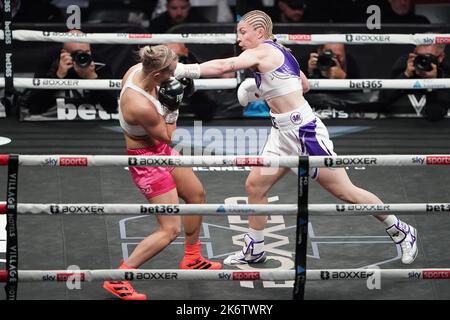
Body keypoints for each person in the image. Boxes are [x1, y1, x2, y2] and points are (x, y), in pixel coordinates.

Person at [174, 10, 418, 266]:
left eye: (242, 32)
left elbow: (225, 66)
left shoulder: (262, 51)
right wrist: (262, 89)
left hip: (304, 134)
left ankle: (400, 229)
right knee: (255, 186)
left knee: (346, 192)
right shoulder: (281, 51)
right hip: (281, 133)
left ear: (259, 32)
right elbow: (304, 85)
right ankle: (255, 248)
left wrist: (182, 68)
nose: (238, 39)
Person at [103, 45, 221, 300]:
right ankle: (118, 278)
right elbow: (168, 136)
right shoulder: (139, 103)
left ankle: (192, 257)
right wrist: (174, 105)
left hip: (160, 152)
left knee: (196, 195)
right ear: (157, 75)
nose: (172, 77)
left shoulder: (140, 69)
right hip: (147, 161)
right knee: (169, 229)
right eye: (170, 74)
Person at [22, 29, 118, 116]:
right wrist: (57, 77)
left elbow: (112, 107)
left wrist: (92, 78)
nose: (83, 57)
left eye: (87, 52)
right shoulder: (51, 61)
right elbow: (34, 107)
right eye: (78, 53)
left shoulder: (99, 62)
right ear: (64, 52)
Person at [383, 43, 450, 121]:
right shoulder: (404, 64)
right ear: (414, 53)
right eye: (419, 56)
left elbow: (434, 115)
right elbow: (384, 100)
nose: (423, 61)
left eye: (428, 57)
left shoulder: (446, 73)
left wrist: (431, 83)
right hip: (400, 125)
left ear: (440, 57)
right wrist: (405, 75)